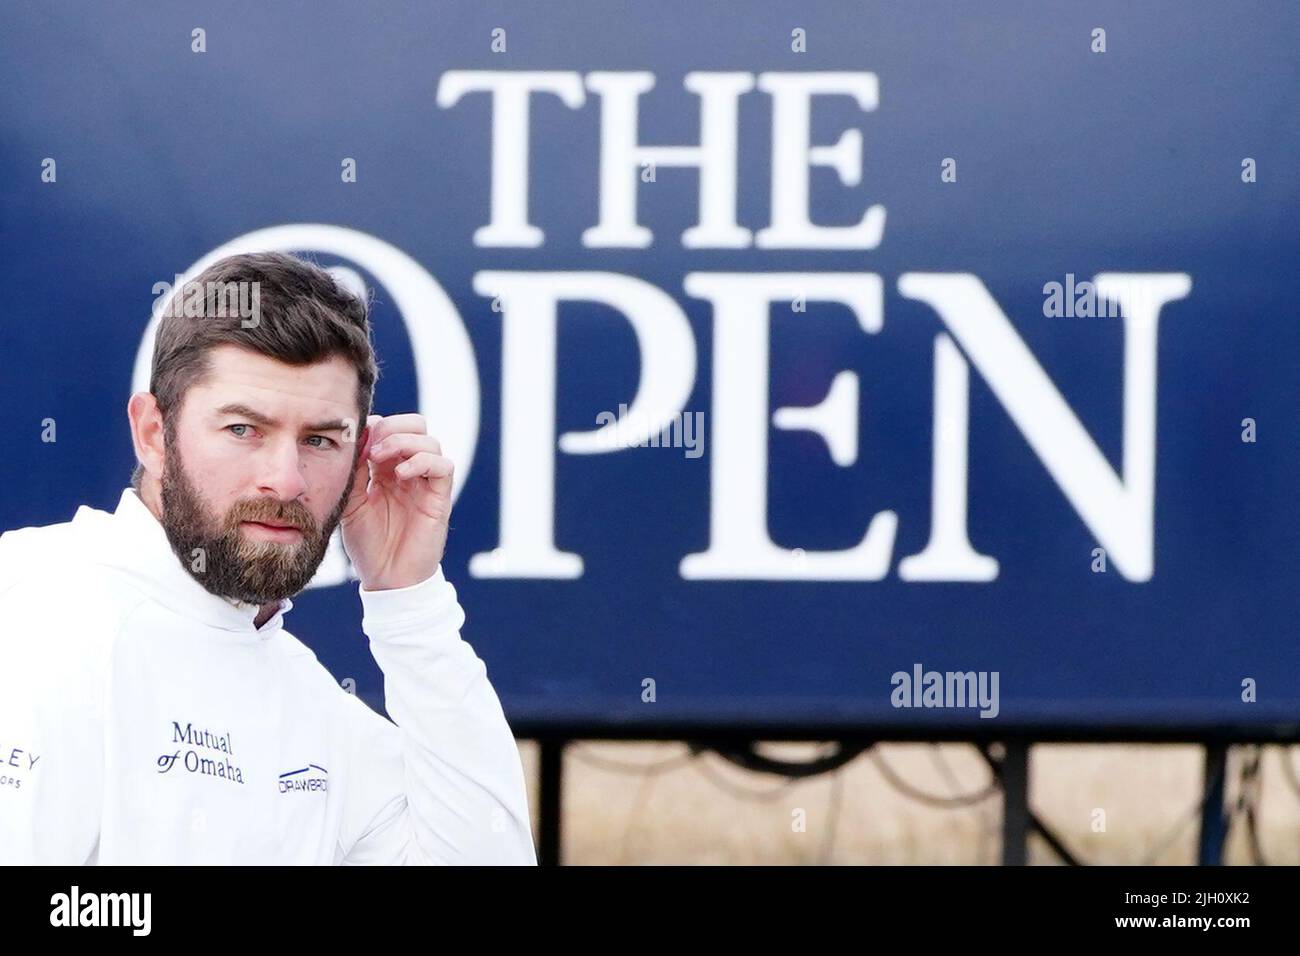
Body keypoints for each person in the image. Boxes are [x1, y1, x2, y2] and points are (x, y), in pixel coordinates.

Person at [0, 252, 537, 864]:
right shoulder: (32, 614)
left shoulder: (312, 704)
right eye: (242, 429)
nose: (284, 482)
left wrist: (410, 602)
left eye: (319, 440)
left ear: (361, 456)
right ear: (153, 433)